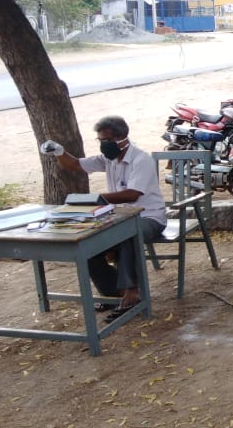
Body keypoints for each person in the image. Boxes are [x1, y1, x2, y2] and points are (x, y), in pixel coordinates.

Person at [41, 115, 167, 323]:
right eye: (100, 141)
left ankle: (132, 291)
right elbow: (75, 164)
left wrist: (95, 199)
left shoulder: (140, 159)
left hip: (149, 216)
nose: (103, 145)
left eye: (106, 141)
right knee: (88, 242)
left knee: (129, 234)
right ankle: (111, 293)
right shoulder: (109, 159)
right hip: (120, 217)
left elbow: (132, 194)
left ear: (122, 138)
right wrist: (59, 151)